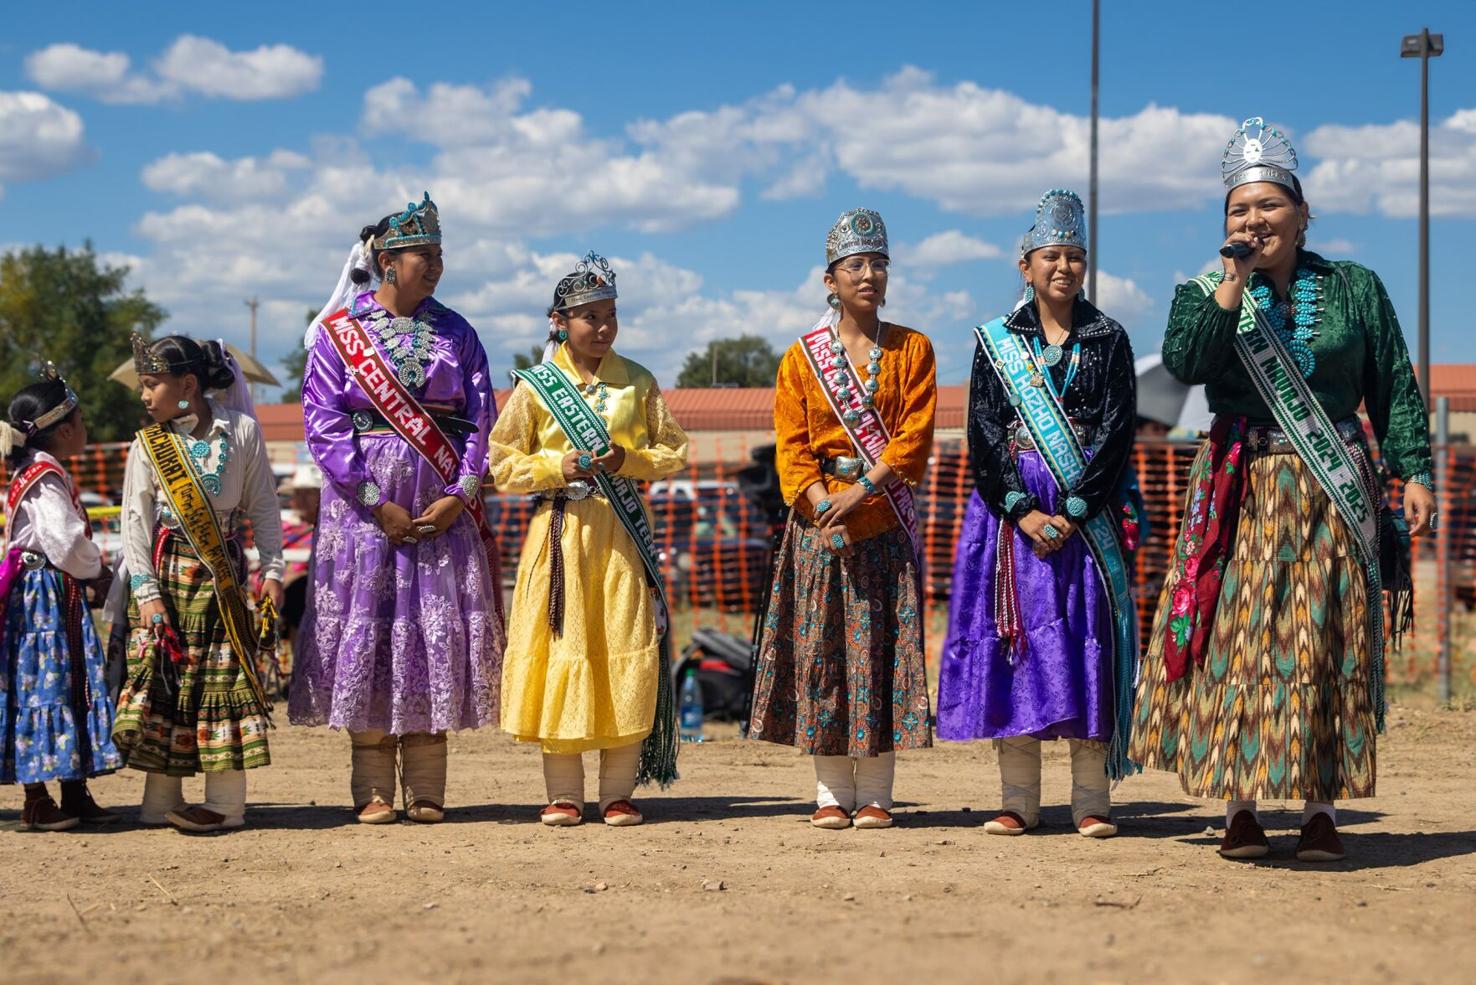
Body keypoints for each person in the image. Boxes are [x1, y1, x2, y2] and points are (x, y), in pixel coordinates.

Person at [1131, 118, 1437, 862]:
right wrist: (1231, 283)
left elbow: (1391, 381)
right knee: (1238, 642)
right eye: (1239, 209)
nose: (1253, 220)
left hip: (1329, 492)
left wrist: (1414, 469)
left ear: (1302, 214)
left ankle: (1320, 809)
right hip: (1241, 488)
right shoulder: (1205, 292)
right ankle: (1239, 805)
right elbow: (1186, 361)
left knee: (1322, 640)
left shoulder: (1353, 288)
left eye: (1268, 205)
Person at [290, 194, 505, 825]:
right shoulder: (338, 335)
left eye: (440, 254)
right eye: (423, 254)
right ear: (386, 259)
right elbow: (323, 424)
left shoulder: (458, 332)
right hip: (364, 517)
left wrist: (459, 496)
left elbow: (480, 422)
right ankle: (374, 788)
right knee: (373, 628)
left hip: (440, 510)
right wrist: (372, 500)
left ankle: (429, 785)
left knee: (430, 631)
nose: (436, 265)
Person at [937, 190, 1139, 838]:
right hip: (1011, 524)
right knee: (1015, 644)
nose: (1064, 267)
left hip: (1085, 513)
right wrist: (1023, 511)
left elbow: (1116, 433)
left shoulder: (1108, 339)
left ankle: (1090, 800)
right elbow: (984, 433)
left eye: (1075, 255)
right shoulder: (998, 343)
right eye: (1051, 255)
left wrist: (1076, 509)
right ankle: (1018, 799)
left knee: (1087, 646)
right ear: (1025, 265)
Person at [748, 209, 936, 830]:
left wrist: (865, 492)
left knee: (881, 655)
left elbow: (913, 436)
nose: (870, 275)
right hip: (820, 528)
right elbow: (791, 445)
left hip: (881, 522)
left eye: (879, 264)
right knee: (824, 652)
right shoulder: (802, 359)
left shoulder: (913, 350)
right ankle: (831, 792)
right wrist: (820, 500)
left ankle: (878, 791)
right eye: (856, 265)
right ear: (830, 279)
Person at [489, 252, 688, 827]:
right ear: (560, 320)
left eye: (610, 315)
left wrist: (629, 458)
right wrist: (557, 466)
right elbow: (502, 463)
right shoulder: (535, 388)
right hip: (559, 536)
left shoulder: (638, 382)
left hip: (622, 539)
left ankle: (619, 792)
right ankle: (565, 793)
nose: (602, 328)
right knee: (563, 650)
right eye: (589, 317)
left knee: (623, 646)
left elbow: (674, 451)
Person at [114, 335, 285, 833]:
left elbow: (264, 507)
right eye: (143, 386)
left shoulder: (244, 432)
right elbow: (134, 524)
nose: (144, 396)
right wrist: (145, 593)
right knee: (168, 685)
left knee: (223, 683)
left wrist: (273, 571)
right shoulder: (147, 444)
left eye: (152, 384)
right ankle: (158, 799)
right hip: (166, 581)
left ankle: (226, 804)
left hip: (223, 581)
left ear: (187, 385)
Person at [0, 368, 121, 830]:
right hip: (41, 598)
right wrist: (98, 570)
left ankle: (72, 789)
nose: (86, 429)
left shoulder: (40, 471)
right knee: (44, 686)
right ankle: (37, 798)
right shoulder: (44, 477)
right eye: (84, 420)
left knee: (70, 684)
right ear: (67, 429)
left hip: (52, 592)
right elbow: (65, 541)